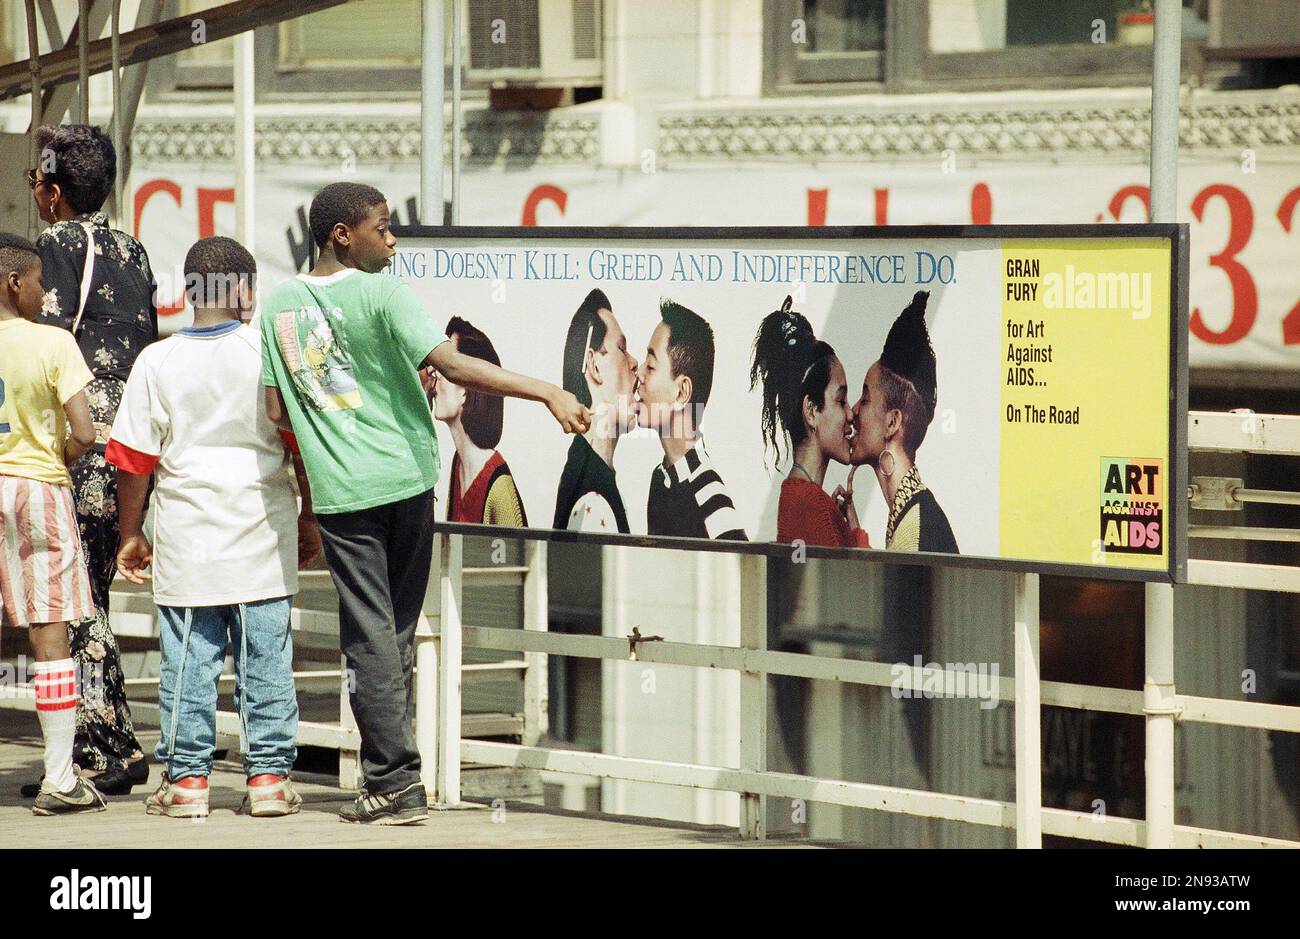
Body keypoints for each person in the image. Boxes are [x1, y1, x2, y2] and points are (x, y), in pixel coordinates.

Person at [260, 182, 588, 825]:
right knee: (394, 632)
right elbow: (454, 368)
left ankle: (393, 780)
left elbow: (277, 408)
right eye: (381, 228)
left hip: (345, 493)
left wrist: (325, 431)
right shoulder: (384, 293)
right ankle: (394, 776)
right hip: (409, 482)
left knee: (371, 636)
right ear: (341, 237)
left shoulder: (278, 306)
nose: (393, 238)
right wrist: (547, 390)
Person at [107, 237, 317, 819]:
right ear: (247, 291)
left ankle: (188, 784)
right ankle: (269, 782)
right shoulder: (268, 355)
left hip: (188, 539)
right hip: (263, 536)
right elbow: (302, 446)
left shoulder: (158, 360)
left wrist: (132, 532)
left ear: (190, 288)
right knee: (266, 662)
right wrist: (309, 519)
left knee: (189, 664)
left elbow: (132, 460)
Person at [30, 123, 153, 793]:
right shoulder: (134, 250)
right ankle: (96, 742)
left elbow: (45, 350)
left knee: (73, 596)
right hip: (134, 445)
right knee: (90, 591)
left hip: (77, 445)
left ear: (51, 192)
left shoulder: (51, 247)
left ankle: (110, 742)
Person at [0, 233, 106, 815]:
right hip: (39, 488)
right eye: (40, 280)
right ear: (16, 283)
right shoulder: (54, 342)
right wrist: (56, 455)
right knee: (49, 632)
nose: (46, 291)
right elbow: (85, 433)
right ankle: (60, 778)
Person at [750, 295, 868, 549]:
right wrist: (856, 536)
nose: (850, 413)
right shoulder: (811, 506)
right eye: (841, 400)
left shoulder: (800, 496)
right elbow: (857, 586)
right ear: (811, 411)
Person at [849, 291, 958, 553]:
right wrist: (854, 531)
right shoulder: (913, 513)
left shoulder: (917, 527)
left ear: (892, 422)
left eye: (864, 399)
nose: (853, 411)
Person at [637, 299, 746, 540]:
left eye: (651, 366)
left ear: (682, 392)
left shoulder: (709, 493)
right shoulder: (661, 478)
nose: (638, 372)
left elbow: (740, 574)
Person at [426, 317, 527, 526]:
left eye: (446, 368)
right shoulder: (458, 463)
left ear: (465, 388)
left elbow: (517, 558)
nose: (433, 371)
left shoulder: (498, 486)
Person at [553, 288, 638, 533]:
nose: (635, 363)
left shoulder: (586, 469)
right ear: (594, 366)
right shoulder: (594, 498)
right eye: (622, 349)